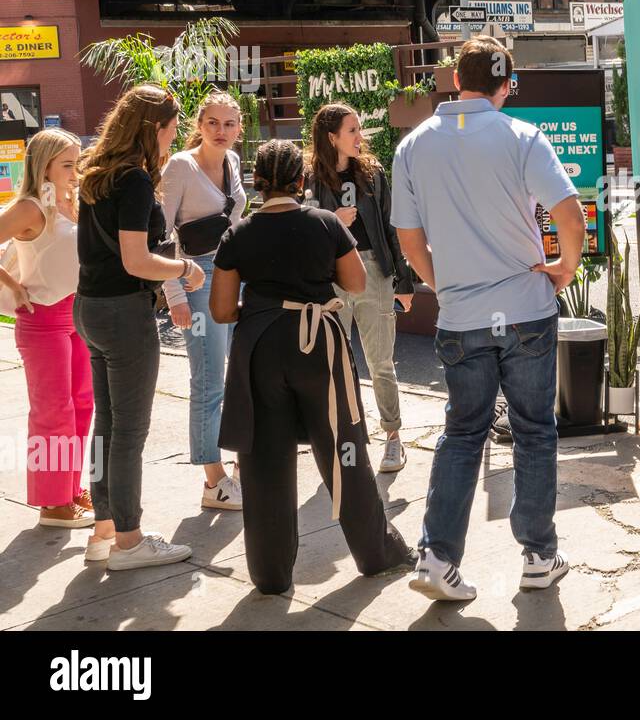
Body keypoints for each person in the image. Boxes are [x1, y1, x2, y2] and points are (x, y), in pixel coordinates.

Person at [391, 35, 586, 602]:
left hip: (460, 315)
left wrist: (442, 284)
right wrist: (563, 268)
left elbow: (409, 240)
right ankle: (538, 556)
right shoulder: (523, 136)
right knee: (532, 431)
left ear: (455, 80)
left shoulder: (414, 146)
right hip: (526, 307)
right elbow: (569, 216)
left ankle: (435, 556)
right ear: (507, 85)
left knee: (462, 432)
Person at [208, 140, 413, 595]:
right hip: (319, 343)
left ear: (256, 183)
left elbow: (221, 311)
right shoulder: (324, 224)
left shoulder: (237, 234)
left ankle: (270, 574)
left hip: (260, 347)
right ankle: (377, 554)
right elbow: (356, 283)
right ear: (301, 181)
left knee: (263, 462)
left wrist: (264, 308)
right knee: (346, 448)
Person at [75, 85, 205, 569]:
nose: (175, 137)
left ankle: (104, 530)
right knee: (128, 431)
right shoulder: (132, 179)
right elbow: (137, 260)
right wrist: (184, 270)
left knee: (106, 427)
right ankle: (129, 540)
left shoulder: (97, 172)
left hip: (89, 307)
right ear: (155, 127)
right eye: (173, 127)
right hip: (121, 314)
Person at [305, 103, 415, 474]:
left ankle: (393, 437)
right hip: (331, 276)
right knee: (333, 365)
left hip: (374, 271)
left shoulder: (374, 174)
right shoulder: (311, 179)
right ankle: (344, 440)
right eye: (352, 130)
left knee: (381, 362)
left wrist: (404, 281)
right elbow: (298, 231)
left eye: (359, 129)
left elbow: (392, 228)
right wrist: (330, 221)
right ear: (331, 137)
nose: (359, 137)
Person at [0, 128, 93, 528]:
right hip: (42, 320)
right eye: (68, 165)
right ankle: (52, 504)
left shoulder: (71, 202)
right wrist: (10, 283)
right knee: (52, 412)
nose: (75, 172)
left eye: (78, 163)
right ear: (44, 165)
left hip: (79, 314)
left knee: (83, 406)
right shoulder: (30, 208)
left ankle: (70, 490)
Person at [161, 90, 247, 512]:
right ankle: (213, 480)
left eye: (229, 123)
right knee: (208, 379)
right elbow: (160, 236)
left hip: (234, 275)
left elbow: (236, 224)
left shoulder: (232, 163)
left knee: (238, 375)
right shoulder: (180, 166)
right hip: (196, 278)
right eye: (212, 122)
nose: (221, 131)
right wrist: (174, 293)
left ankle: (237, 465)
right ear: (198, 125)